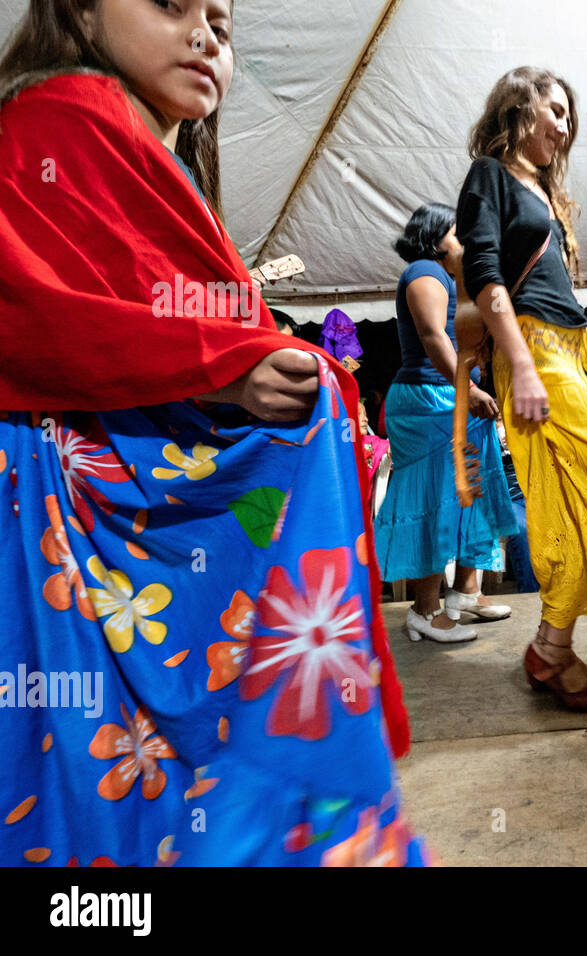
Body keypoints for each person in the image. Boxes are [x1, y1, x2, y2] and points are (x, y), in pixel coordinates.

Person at [0, 0, 420, 865]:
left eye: (222, 24)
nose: (205, 36)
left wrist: (239, 363)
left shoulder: (132, 136)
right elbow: (35, 314)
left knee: (98, 778)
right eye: (169, 4)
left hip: (79, 484)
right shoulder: (65, 115)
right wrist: (227, 367)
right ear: (78, 6)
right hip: (56, 498)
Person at [456, 66, 587, 712]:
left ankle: (555, 645)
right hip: (532, 348)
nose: (565, 128)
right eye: (556, 111)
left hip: (572, 346)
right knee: (576, 497)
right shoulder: (489, 175)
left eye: (570, 117)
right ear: (519, 108)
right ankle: (550, 649)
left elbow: (565, 297)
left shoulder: (544, 192)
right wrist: (517, 364)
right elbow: (485, 274)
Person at [374, 201, 516, 643]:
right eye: (459, 233)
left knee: (473, 487)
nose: (467, 242)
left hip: (451, 397)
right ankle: (424, 610)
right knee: (437, 498)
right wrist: (467, 389)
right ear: (436, 237)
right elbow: (433, 336)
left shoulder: (452, 278)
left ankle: (465, 593)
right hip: (430, 398)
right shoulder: (424, 271)